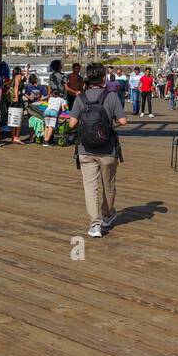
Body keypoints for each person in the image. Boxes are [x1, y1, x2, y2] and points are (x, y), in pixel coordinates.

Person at [68, 62, 128, 238]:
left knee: (90, 186)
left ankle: (95, 225)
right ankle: (107, 215)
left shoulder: (81, 98)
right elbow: (123, 121)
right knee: (108, 185)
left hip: (85, 149)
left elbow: (72, 124)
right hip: (107, 149)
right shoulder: (111, 97)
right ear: (103, 78)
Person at [8, 66, 28, 145]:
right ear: (19, 71)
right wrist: (17, 97)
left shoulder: (14, 78)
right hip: (18, 100)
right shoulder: (18, 76)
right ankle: (17, 137)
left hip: (13, 101)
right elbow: (16, 88)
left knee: (13, 120)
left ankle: (13, 137)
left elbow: (25, 77)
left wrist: (27, 69)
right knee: (19, 119)